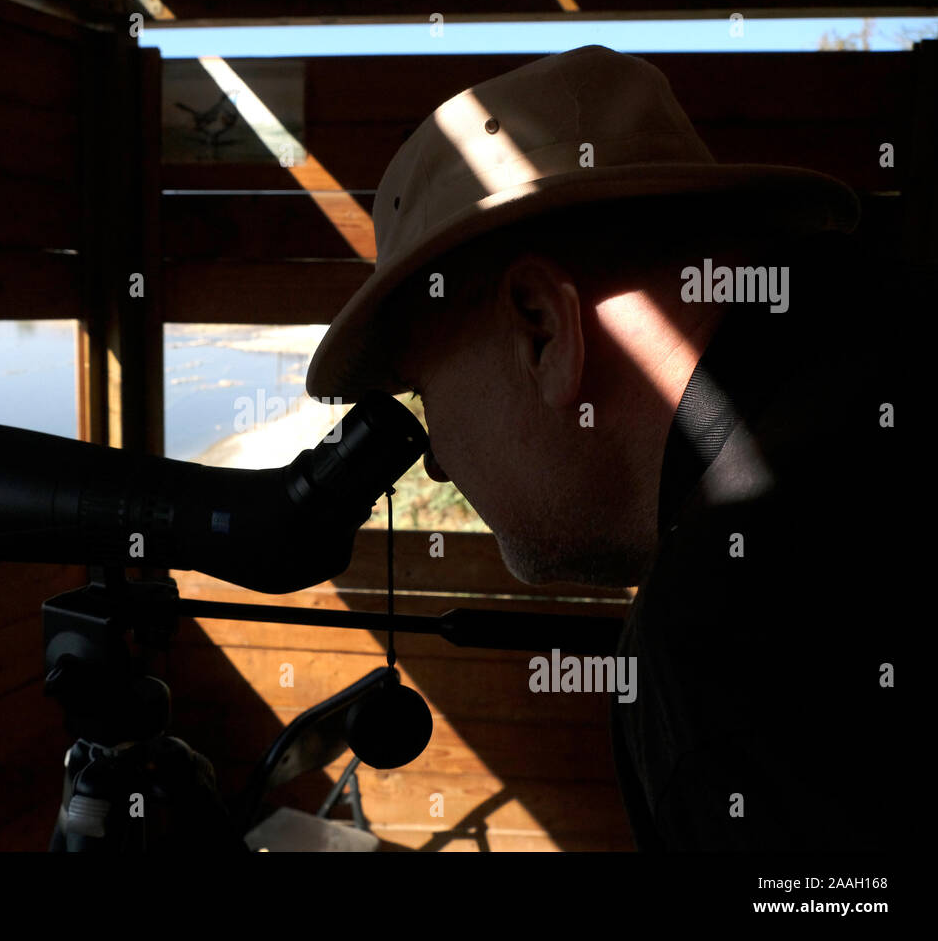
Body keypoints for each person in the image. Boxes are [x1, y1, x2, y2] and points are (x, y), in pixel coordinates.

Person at [305, 44, 914, 851]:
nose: (437, 461)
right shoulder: (885, 332)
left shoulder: (721, 634)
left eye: (427, 393)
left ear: (541, 328)